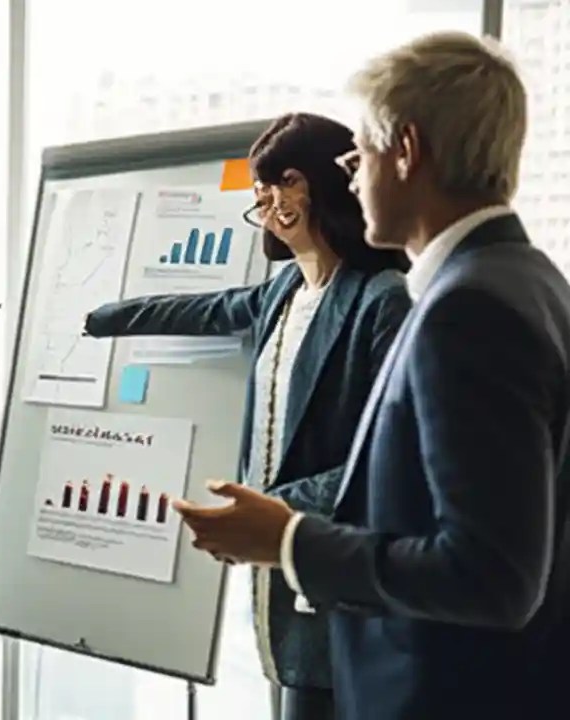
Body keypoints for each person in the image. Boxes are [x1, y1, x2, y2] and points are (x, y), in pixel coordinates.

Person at [172, 31, 570, 719]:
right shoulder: (530, 282)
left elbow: (492, 576)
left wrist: (287, 539)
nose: (352, 181)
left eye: (359, 156)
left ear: (406, 150)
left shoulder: (468, 309)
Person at [84, 112, 410, 720]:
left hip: (333, 573)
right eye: (262, 189)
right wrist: (101, 318)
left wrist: (272, 509)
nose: (268, 201)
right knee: (282, 679)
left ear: (322, 184)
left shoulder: (381, 299)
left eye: (283, 182)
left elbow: (386, 462)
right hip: (273, 566)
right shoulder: (282, 291)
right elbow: (201, 310)